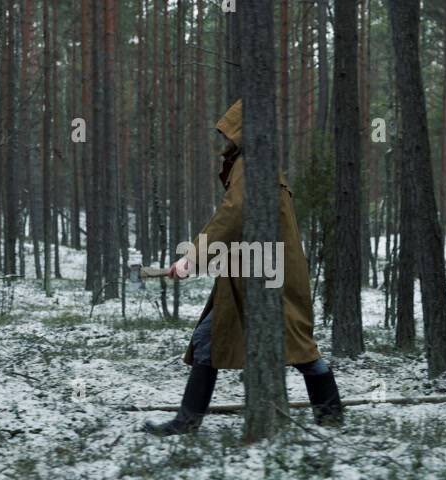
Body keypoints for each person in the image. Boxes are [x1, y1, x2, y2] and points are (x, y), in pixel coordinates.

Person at [143, 100, 344, 437]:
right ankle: (187, 422)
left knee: (299, 347)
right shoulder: (252, 164)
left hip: (264, 276)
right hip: (256, 272)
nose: (223, 139)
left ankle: (331, 419)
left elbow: (233, 215)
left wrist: (192, 258)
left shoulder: (250, 166)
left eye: (227, 132)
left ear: (240, 134)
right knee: (217, 339)